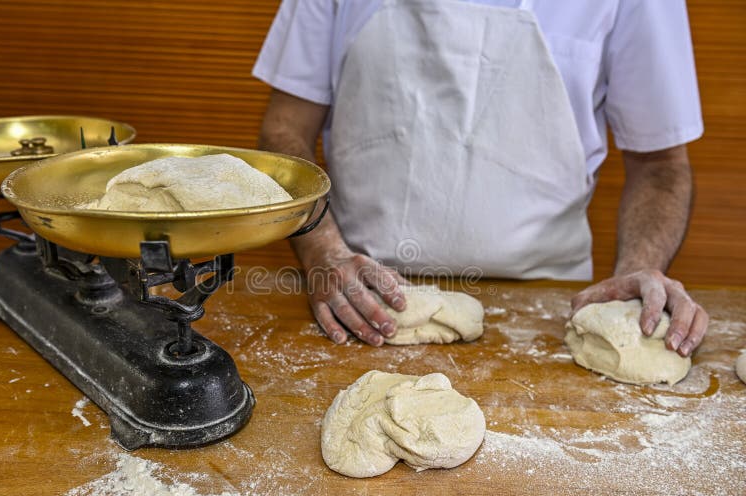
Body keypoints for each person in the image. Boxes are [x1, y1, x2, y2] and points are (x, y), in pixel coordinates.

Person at [253, 0, 708, 355]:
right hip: (363, 300)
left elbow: (659, 166)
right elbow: (286, 130)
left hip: (553, 312)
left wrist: (634, 275)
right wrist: (322, 251)